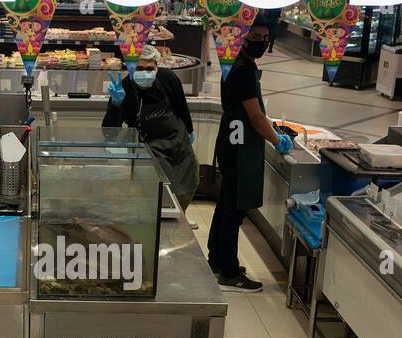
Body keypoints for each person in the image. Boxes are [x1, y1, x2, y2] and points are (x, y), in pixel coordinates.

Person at [207, 19, 293, 292]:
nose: (260, 41)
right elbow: (255, 117)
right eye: (255, 36)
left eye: (264, 37)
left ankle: (217, 260)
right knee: (234, 210)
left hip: (231, 142)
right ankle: (229, 274)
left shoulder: (233, 62)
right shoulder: (243, 70)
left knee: (225, 205)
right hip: (239, 147)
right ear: (244, 37)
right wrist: (276, 138)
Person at [102, 45, 199, 209]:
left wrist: (189, 131)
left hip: (179, 151)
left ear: (157, 67)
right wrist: (116, 104)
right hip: (148, 155)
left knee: (182, 199)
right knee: (152, 205)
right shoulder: (123, 87)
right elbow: (110, 131)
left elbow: (181, 108)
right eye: (139, 68)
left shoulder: (168, 78)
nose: (144, 73)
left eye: (149, 68)